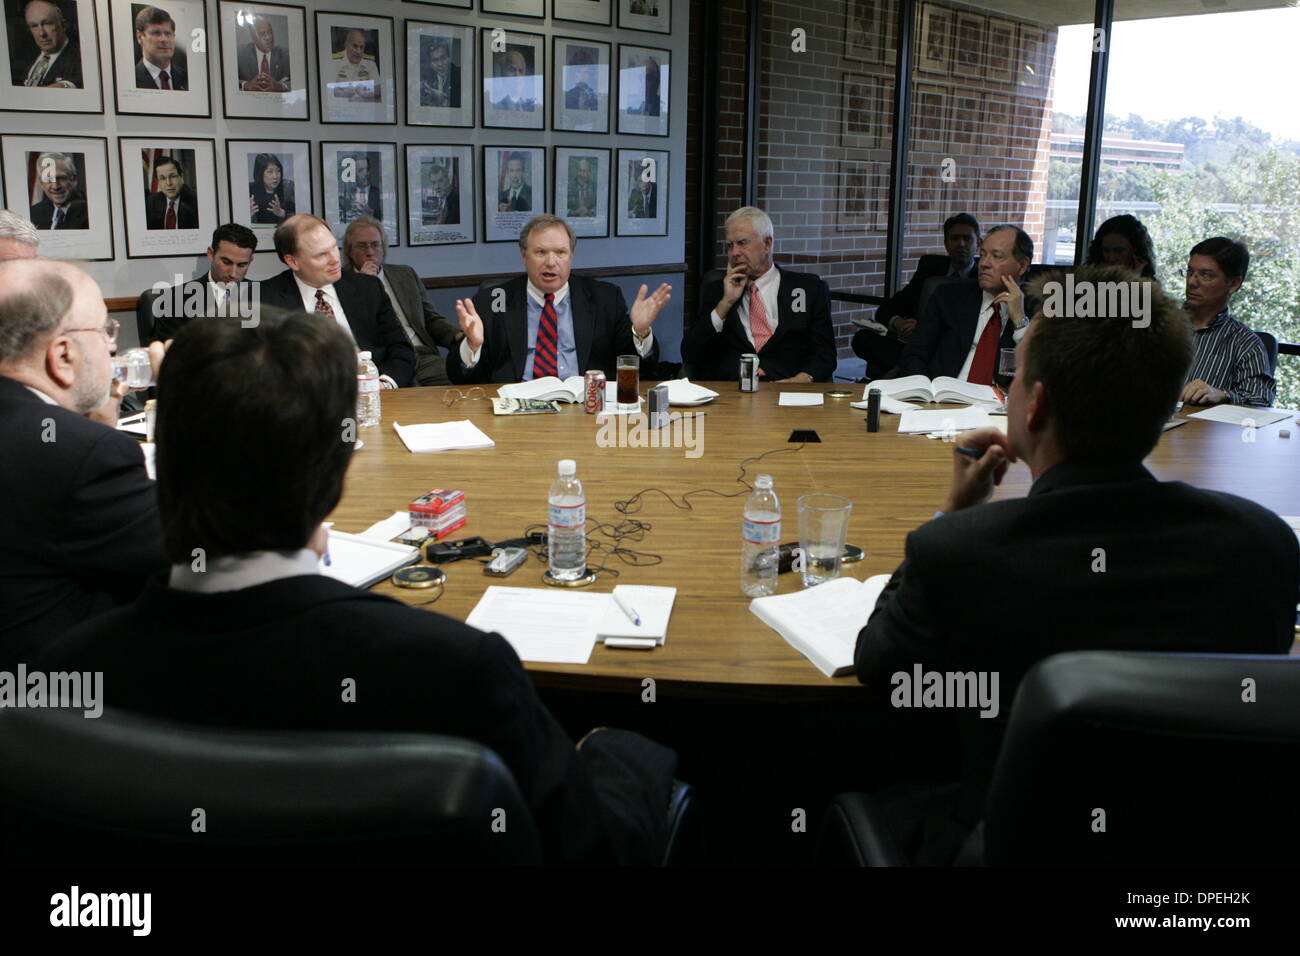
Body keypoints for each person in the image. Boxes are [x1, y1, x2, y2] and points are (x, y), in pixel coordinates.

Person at [32, 311, 680, 867]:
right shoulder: (458, 669)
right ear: (337, 472)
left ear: (157, 457)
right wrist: (619, 753)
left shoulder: (65, 680)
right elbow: (595, 853)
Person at [853, 264, 1299, 865]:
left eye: (1013, 381)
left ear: (1033, 406)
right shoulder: (1263, 546)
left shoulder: (965, 549)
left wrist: (951, 518)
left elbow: (880, 666)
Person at [0, 259, 166, 668]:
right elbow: (201, 554)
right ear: (63, 354)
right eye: (106, 330)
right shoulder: (86, 456)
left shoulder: (65, 441)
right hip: (65, 706)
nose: (113, 345)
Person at [449, 214, 669, 385]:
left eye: (560, 252)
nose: (551, 262)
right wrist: (472, 345)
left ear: (571, 256)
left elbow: (642, 368)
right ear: (524, 256)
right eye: (541, 252)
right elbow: (458, 376)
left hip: (586, 405)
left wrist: (640, 333)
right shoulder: (492, 301)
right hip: (517, 408)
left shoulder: (605, 298)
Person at [258, 214, 414, 388]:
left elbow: (401, 349)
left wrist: (383, 384)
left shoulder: (368, 288)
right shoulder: (262, 298)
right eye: (321, 255)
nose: (334, 259)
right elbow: (252, 368)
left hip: (376, 395)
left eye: (334, 248)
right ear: (292, 261)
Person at [683, 206, 836, 383]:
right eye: (730, 246)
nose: (734, 253)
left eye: (742, 243)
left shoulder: (807, 289)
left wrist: (802, 379)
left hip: (790, 390)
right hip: (734, 392)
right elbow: (690, 353)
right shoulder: (718, 291)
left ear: (767, 244)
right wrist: (725, 304)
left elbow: (825, 353)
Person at [897, 224, 1032, 383]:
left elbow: (1043, 375)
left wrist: (1019, 321)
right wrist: (925, 391)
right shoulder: (948, 297)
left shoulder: (1039, 309)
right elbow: (913, 356)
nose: (984, 264)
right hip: (942, 399)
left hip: (999, 403)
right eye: (982, 255)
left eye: (996, 256)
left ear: (1022, 265)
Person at [852, 213, 980, 379]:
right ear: (946, 244)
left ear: (978, 243)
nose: (961, 244)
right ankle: (909, 370)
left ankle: (905, 371)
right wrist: (898, 323)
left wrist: (924, 327)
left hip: (951, 347)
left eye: (967, 238)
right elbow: (888, 308)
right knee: (862, 339)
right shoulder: (930, 269)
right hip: (914, 344)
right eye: (954, 238)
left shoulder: (982, 276)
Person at [342, 216, 461, 387]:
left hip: (422, 356)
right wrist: (364, 285)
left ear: (383, 248)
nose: (369, 252)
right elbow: (353, 330)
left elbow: (430, 318)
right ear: (349, 251)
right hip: (382, 361)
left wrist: (457, 334)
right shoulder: (341, 284)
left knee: (462, 377)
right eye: (362, 246)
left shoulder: (405, 274)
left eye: (375, 245)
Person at [1179, 237, 1275, 407]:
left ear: (1233, 284)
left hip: (1198, 430)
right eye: (1189, 272)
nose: (1192, 282)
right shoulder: (1157, 325)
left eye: (1206, 275)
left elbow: (1261, 397)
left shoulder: (1244, 342)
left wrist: (1222, 394)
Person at [137, 223, 256, 342]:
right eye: (226, 262)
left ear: (250, 261)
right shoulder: (175, 300)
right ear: (210, 254)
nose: (233, 273)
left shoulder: (262, 296)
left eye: (242, 265)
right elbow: (169, 353)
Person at [16, 0, 82, 88]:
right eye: (34, 26)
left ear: (63, 25)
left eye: (47, 23)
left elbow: (76, 82)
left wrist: (63, 86)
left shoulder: (80, 55)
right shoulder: (26, 56)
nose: (41, 33)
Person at [28, 151, 89, 230]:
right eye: (48, 179)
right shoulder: (33, 213)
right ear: (41, 184)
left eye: (61, 178)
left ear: (74, 179)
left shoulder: (90, 212)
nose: (55, 186)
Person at [1084, 214, 1155, 278]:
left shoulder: (1150, 286)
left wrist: (1135, 278)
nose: (1111, 258)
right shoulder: (1088, 278)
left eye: (1119, 251)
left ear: (1135, 249)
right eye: (1106, 250)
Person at [134, 6, 187, 90]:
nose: (164, 39)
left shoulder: (185, 78)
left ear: (174, 36)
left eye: (168, 33)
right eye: (156, 33)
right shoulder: (131, 78)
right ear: (140, 37)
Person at [237, 15, 290, 93]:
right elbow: (229, 82)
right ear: (253, 37)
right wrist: (246, 85)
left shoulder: (286, 55)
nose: (268, 37)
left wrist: (280, 87)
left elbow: (299, 83)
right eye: (262, 34)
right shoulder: (240, 55)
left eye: (270, 32)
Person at [144, 155, 198, 230]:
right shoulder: (150, 204)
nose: (169, 183)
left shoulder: (196, 204)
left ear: (181, 177)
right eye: (162, 178)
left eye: (173, 176)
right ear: (158, 182)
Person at [330, 28, 379, 100]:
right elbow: (328, 90)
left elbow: (378, 87)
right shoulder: (334, 62)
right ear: (346, 45)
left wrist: (365, 93)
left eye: (361, 47)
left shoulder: (370, 64)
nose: (358, 51)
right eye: (355, 46)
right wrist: (344, 93)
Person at [248, 153, 295, 225]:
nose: (275, 176)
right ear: (260, 173)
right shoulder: (250, 189)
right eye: (270, 172)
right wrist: (248, 215)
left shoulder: (288, 187)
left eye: (278, 171)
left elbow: (300, 216)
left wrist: (281, 213)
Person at [338, 155, 381, 224]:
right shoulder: (347, 194)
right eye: (361, 170)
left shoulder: (379, 193)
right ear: (354, 174)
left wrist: (371, 214)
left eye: (367, 169)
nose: (366, 173)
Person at [419, 37, 458, 108]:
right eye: (435, 60)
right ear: (430, 63)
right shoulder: (427, 80)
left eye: (443, 58)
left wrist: (443, 99)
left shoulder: (460, 76)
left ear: (449, 58)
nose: (440, 64)